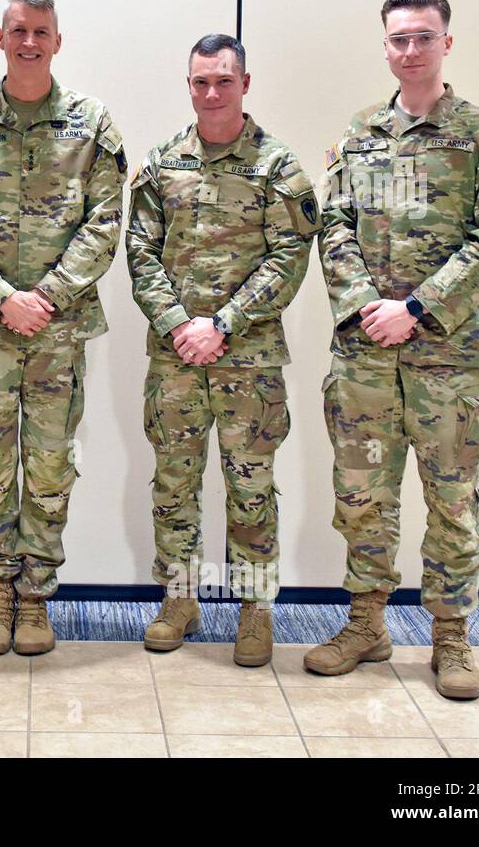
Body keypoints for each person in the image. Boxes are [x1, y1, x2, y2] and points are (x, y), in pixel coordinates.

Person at [308, 0, 479, 700]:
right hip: (366, 355)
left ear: (447, 44)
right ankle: (366, 624)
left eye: (423, 37)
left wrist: (416, 309)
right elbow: (331, 227)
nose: (410, 50)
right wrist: (368, 306)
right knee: (363, 494)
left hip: (448, 360)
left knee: (452, 498)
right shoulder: (357, 134)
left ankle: (452, 640)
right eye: (398, 38)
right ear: (386, 46)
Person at [0, 0, 124, 656]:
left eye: (41, 31)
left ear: (57, 41)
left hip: (58, 330)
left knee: (47, 464)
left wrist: (49, 293)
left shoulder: (91, 124)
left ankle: (37, 594)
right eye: (18, 30)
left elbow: (105, 222)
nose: (29, 42)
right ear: (1, 37)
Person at [127, 34, 319, 666]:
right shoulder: (161, 164)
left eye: (223, 81)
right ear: (189, 85)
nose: (211, 92)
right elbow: (140, 251)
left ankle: (255, 610)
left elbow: (290, 256)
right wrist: (181, 323)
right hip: (176, 357)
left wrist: (225, 323)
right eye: (200, 81)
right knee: (174, 483)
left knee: (251, 486)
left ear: (245, 83)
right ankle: (179, 599)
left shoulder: (277, 166)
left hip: (250, 360)